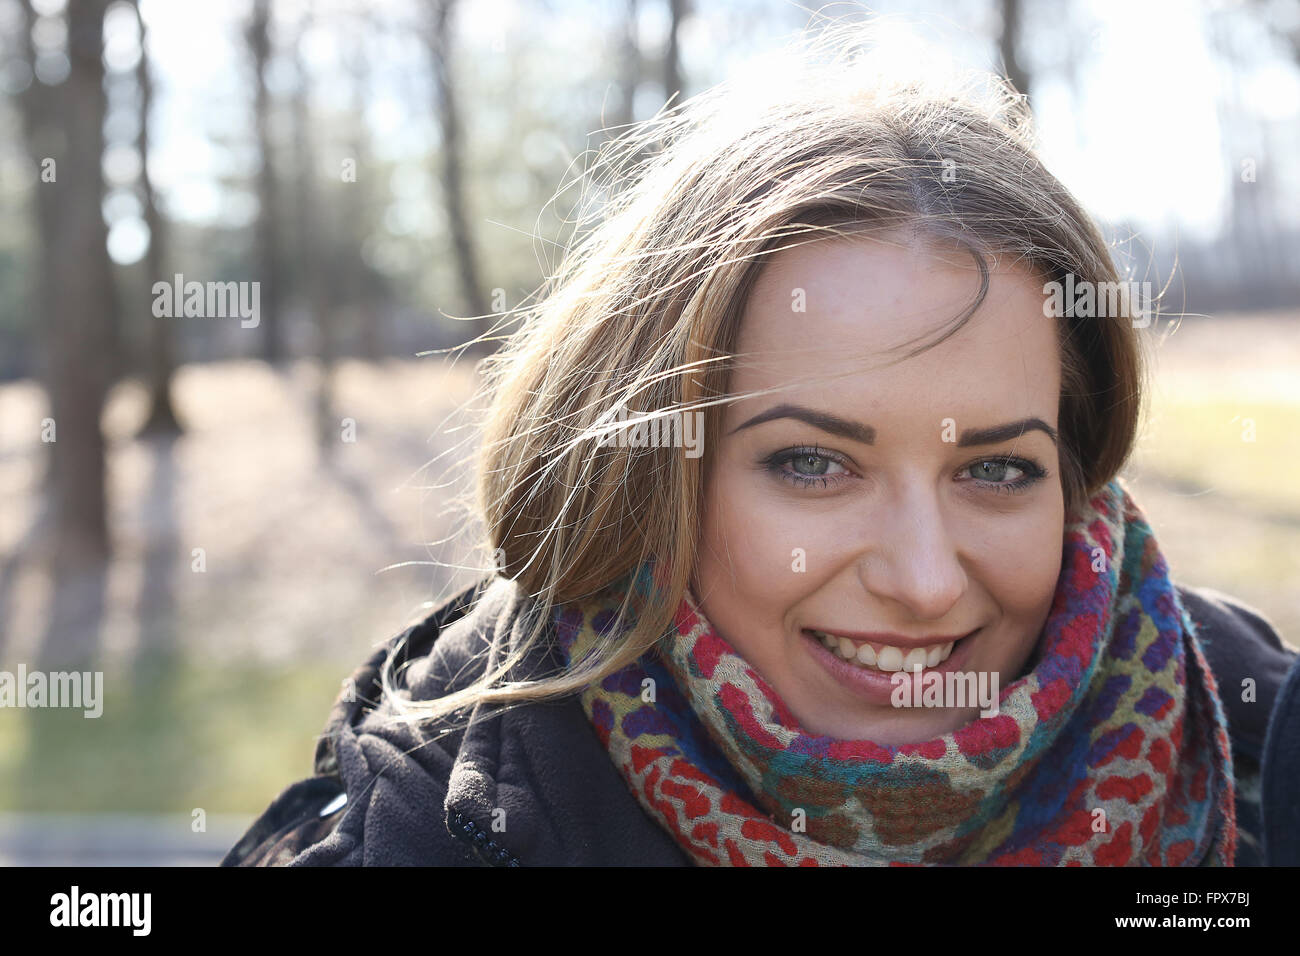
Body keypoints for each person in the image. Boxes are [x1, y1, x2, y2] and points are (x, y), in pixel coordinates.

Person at [224, 24, 1299, 867]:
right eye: (812, 463)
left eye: (995, 468)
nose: (924, 581)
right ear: (651, 469)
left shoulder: (1259, 751)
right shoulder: (426, 821)